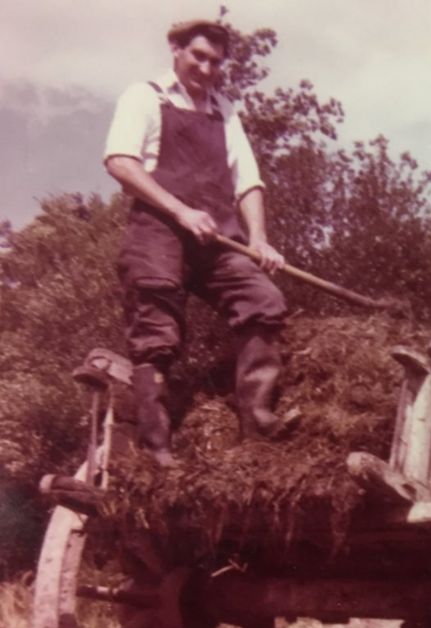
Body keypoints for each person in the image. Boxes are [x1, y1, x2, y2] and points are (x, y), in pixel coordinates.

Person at [104, 19, 287, 466]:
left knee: (262, 299)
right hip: (158, 228)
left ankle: (258, 427)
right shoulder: (146, 96)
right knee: (157, 333)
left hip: (215, 232)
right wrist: (181, 211)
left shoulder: (224, 111)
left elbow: (248, 182)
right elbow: (121, 162)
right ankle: (158, 449)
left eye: (215, 62)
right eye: (198, 57)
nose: (206, 69)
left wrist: (259, 239)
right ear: (176, 50)